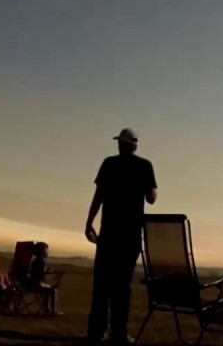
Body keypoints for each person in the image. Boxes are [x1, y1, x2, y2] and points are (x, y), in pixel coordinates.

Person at [84, 128, 157, 345]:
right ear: (135, 145)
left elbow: (99, 196)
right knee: (122, 288)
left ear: (121, 144)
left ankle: (95, 332)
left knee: (101, 287)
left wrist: (89, 223)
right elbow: (152, 199)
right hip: (130, 236)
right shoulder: (145, 166)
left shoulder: (109, 164)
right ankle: (118, 335)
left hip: (108, 235)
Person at [27, 241, 62, 317]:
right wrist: (49, 272)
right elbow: (40, 275)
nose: (47, 252)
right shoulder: (41, 261)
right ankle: (51, 311)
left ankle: (48, 309)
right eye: (46, 250)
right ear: (42, 251)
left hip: (33, 283)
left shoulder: (36, 261)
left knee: (49, 290)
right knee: (52, 291)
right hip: (36, 284)